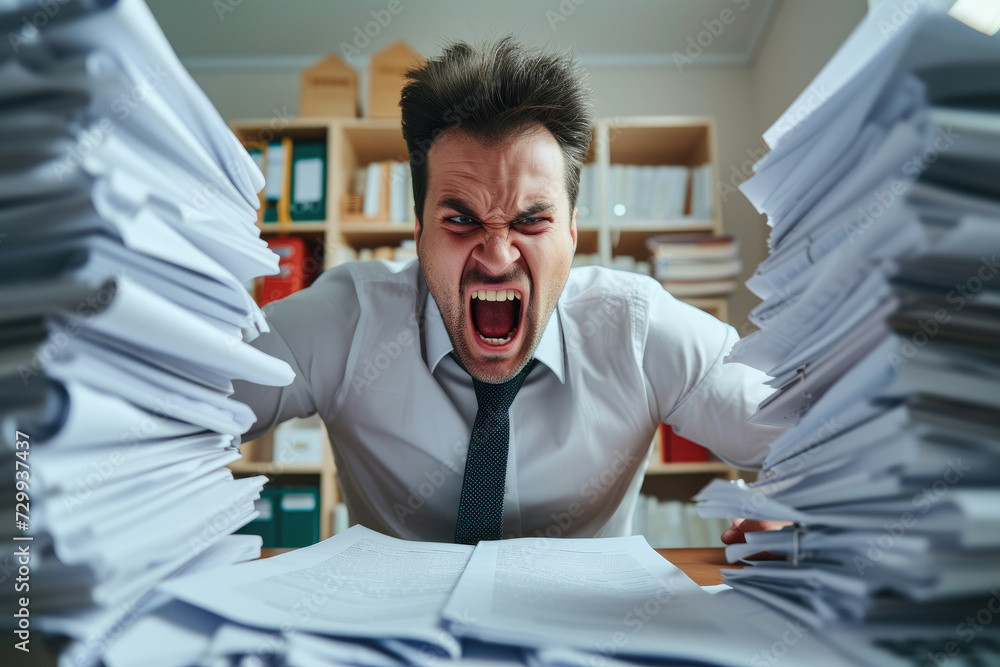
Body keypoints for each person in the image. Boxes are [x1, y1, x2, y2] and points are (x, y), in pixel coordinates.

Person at [232, 36, 781, 546]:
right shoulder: (347, 318)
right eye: (460, 220)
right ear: (418, 235)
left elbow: (817, 433)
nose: (497, 256)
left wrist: (795, 503)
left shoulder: (636, 325)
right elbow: (179, 407)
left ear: (572, 235)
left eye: (531, 222)